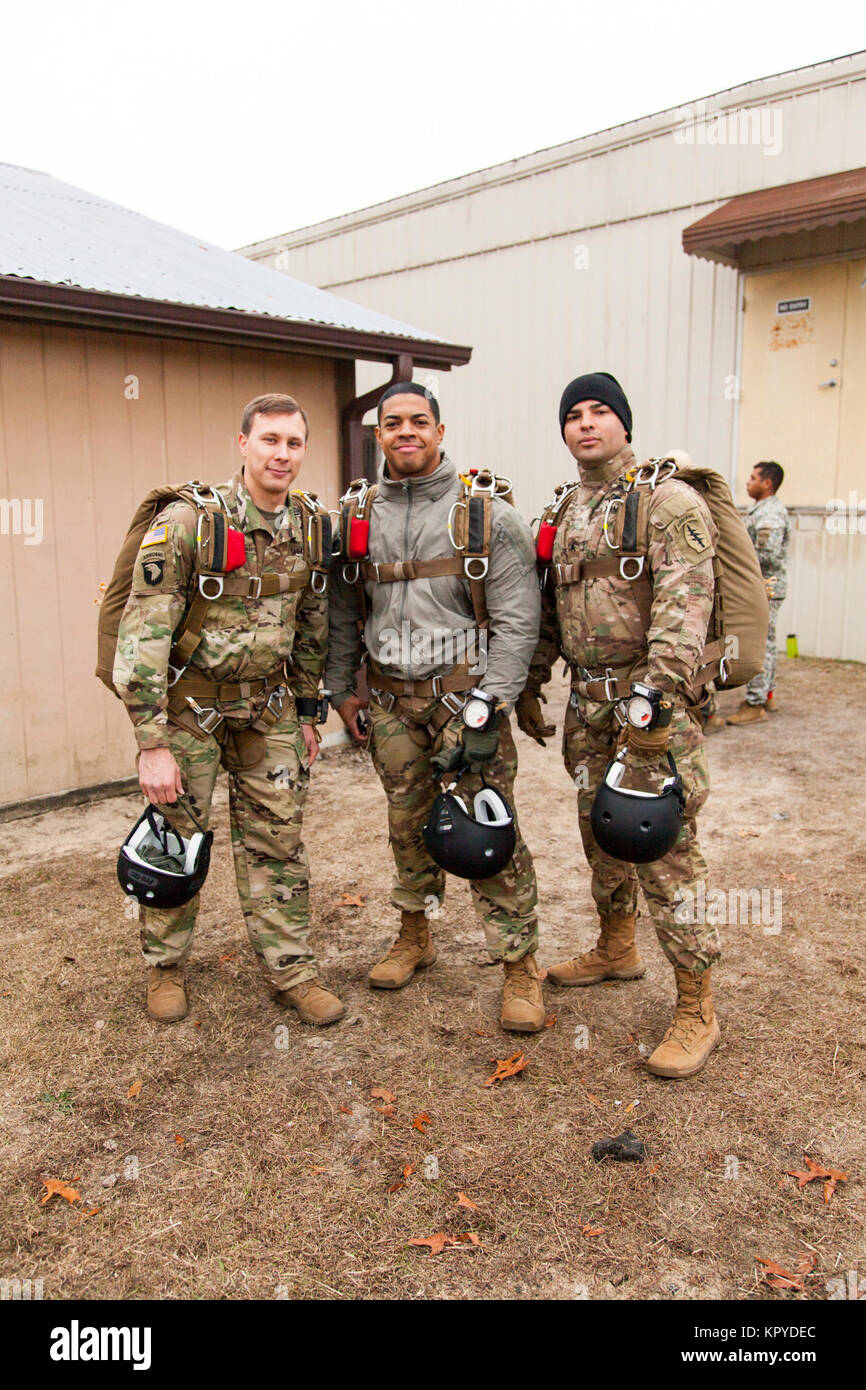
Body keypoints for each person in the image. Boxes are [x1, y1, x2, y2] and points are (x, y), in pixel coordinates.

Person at [113, 393, 344, 1026]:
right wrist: (150, 742)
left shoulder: (312, 526)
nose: (282, 454)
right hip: (190, 714)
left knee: (279, 842)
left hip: (268, 714)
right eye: (270, 439)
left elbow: (313, 625)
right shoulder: (190, 522)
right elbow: (144, 633)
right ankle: (164, 967)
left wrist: (304, 712)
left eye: (294, 443)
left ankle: (292, 970)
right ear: (243, 443)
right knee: (175, 839)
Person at [518, 372, 722, 1078]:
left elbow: (685, 607)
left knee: (664, 849)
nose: (585, 424)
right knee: (600, 837)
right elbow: (550, 606)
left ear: (625, 424)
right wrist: (532, 681)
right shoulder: (564, 509)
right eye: (572, 414)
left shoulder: (668, 502)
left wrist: (654, 710)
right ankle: (617, 947)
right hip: (588, 708)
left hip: (650, 713)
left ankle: (697, 1003)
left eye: (600, 411)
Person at [326, 382, 546, 1033]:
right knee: (407, 825)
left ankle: (518, 966)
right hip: (392, 705)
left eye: (418, 421)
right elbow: (344, 613)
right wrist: (343, 691)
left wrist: (492, 705)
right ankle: (415, 934)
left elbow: (517, 621)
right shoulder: (359, 517)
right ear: (379, 435)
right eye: (392, 423)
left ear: (440, 431)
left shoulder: (485, 515)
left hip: (465, 702)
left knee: (489, 832)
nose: (405, 432)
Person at [726, 461, 789, 726]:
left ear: (767, 483)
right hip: (764, 586)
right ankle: (766, 696)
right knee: (769, 642)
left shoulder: (770, 514)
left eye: (753, 478)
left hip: (765, 586)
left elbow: (767, 552)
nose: (748, 482)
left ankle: (756, 704)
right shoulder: (761, 510)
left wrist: (740, 559)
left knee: (759, 644)